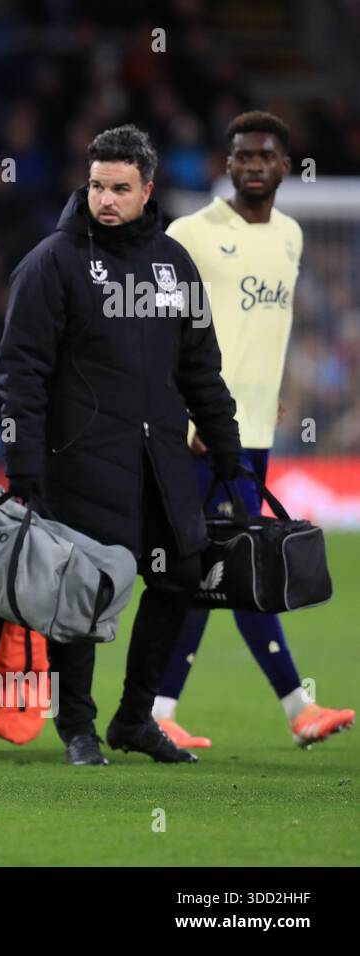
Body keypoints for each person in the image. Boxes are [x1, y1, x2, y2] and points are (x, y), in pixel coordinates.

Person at [0, 124, 242, 765]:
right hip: (78, 464)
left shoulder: (173, 265)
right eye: (98, 185)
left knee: (181, 574)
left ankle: (135, 718)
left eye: (120, 188)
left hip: (159, 464)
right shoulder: (54, 261)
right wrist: (23, 467)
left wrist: (228, 450)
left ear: (147, 189)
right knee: (80, 593)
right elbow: (20, 373)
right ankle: (78, 726)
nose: (106, 198)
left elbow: (201, 370)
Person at [158, 111, 354, 748]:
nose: (252, 165)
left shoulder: (293, 237)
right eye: (241, 155)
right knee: (242, 563)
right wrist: (188, 415)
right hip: (202, 435)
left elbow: (268, 330)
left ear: (284, 166)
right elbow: (165, 332)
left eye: (264, 155)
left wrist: (270, 393)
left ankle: (158, 712)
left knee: (215, 568)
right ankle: (298, 707)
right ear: (227, 162)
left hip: (253, 434)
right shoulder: (191, 233)